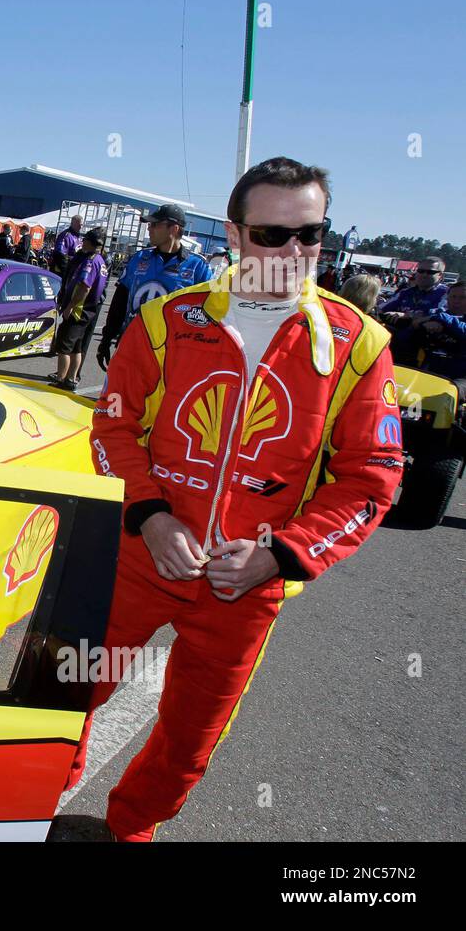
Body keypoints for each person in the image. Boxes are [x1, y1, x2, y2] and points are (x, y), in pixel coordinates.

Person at [73, 156, 402, 842]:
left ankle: (127, 833)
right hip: (135, 559)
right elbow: (114, 427)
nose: (292, 253)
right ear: (234, 233)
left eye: (309, 234)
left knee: (188, 746)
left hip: (247, 587)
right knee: (59, 696)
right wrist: (152, 517)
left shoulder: (359, 344)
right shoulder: (166, 321)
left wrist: (283, 554)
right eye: (271, 235)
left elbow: (372, 477)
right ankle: (17, 807)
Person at [97, 204, 213, 369]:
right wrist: (106, 338)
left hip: (170, 354)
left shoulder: (198, 266)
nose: (149, 229)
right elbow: (120, 301)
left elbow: (209, 314)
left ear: (174, 228)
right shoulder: (139, 258)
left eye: (155, 225)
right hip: (131, 344)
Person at [50, 227, 107, 389]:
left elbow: (84, 287)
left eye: (86, 240)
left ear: (91, 242)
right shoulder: (100, 260)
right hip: (88, 311)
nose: (83, 242)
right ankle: (71, 378)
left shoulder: (91, 261)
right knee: (77, 348)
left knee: (64, 346)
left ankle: (61, 379)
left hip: (79, 310)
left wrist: (70, 306)